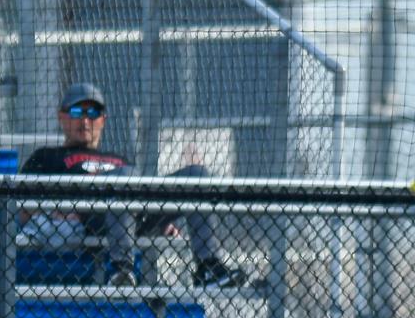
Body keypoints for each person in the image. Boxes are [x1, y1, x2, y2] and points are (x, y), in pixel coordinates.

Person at [18, 83, 250, 288]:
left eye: (93, 112)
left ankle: (208, 267)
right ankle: (121, 268)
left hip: (134, 212)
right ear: (62, 117)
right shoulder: (47, 156)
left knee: (196, 174)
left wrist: (162, 222)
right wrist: (51, 213)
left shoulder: (119, 159)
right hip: (94, 216)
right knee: (124, 176)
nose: (85, 120)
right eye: (77, 111)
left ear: (103, 119)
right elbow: (19, 204)